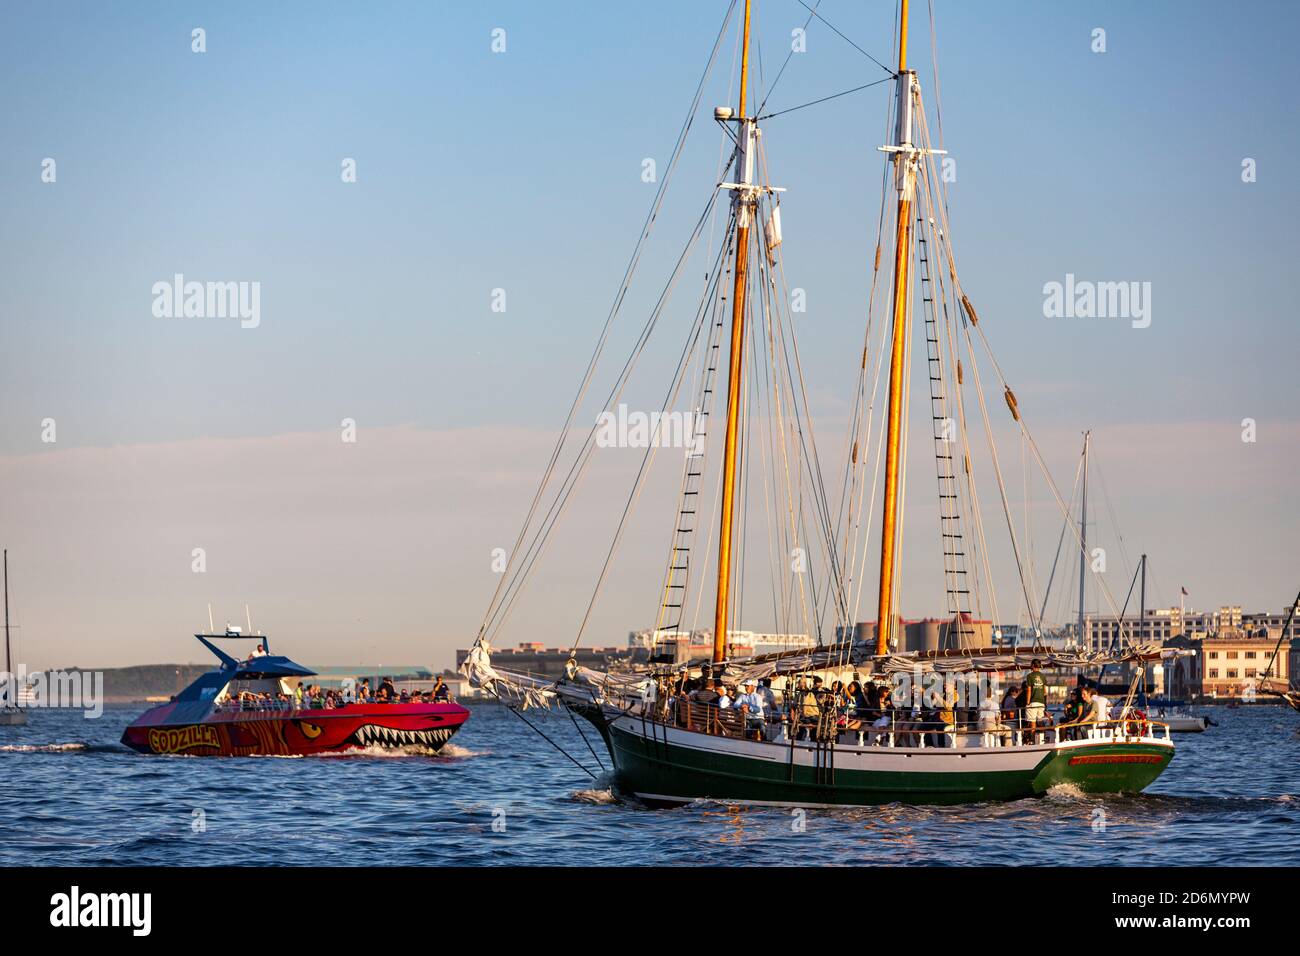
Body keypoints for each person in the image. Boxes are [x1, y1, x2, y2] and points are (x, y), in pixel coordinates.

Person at [1023, 659, 1048, 727]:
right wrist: (1045, 703)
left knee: (1032, 722)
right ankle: (1043, 736)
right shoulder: (1043, 676)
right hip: (1041, 702)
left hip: (1033, 702)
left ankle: (1033, 737)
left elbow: (1029, 690)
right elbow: (1045, 692)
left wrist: (1028, 703)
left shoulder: (1030, 676)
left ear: (1033, 665)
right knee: (1040, 722)